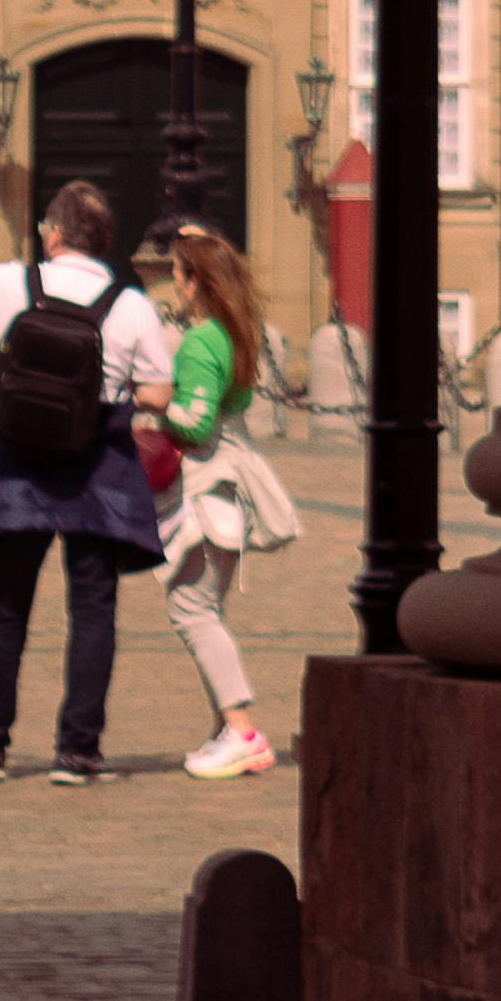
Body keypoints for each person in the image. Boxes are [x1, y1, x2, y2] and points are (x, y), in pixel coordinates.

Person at [0, 176, 172, 786]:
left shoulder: (14, 283)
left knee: (5, 609)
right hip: (96, 472)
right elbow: (158, 392)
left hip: (19, 467)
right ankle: (77, 751)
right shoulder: (131, 306)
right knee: (93, 611)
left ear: (54, 233)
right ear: (103, 241)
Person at [151, 220, 297, 786]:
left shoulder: (200, 342)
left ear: (195, 282)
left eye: (178, 273)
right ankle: (226, 731)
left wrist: (155, 402)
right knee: (206, 607)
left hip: (210, 485)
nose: (174, 284)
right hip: (231, 480)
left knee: (191, 607)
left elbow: (195, 422)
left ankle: (241, 731)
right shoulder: (235, 331)